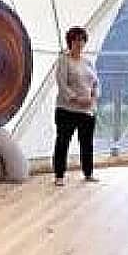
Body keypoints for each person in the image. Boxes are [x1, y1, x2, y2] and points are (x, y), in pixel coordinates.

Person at [54, 26, 100, 187]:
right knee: (63, 142)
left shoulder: (88, 62)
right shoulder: (64, 60)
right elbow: (62, 84)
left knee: (87, 143)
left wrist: (93, 97)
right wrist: (77, 99)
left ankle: (88, 173)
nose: (79, 43)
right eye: (75, 40)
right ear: (70, 42)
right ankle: (59, 175)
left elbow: (96, 83)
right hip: (67, 110)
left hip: (87, 110)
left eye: (81, 39)